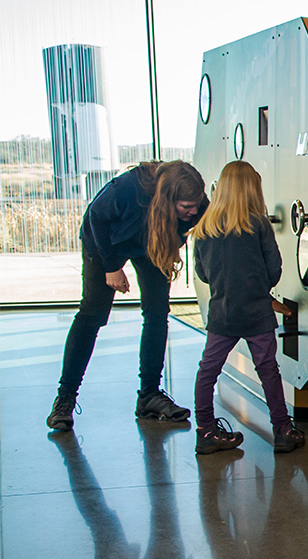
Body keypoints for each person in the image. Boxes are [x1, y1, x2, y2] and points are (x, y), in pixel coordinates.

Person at [47, 161, 208, 431]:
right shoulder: (128, 188)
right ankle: (64, 400)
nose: (193, 213)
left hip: (152, 242)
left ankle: (149, 396)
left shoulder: (197, 203)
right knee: (92, 315)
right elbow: (96, 216)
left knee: (157, 314)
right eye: (186, 207)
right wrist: (111, 267)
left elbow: (198, 224)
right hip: (105, 242)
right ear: (167, 199)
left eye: (195, 206)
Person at [190, 161, 305, 455]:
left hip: (222, 313)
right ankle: (282, 430)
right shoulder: (259, 225)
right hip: (257, 313)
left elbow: (202, 274)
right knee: (269, 371)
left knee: (208, 371)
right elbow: (274, 271)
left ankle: (205, 432)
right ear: (252, 189)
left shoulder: (203, 229)